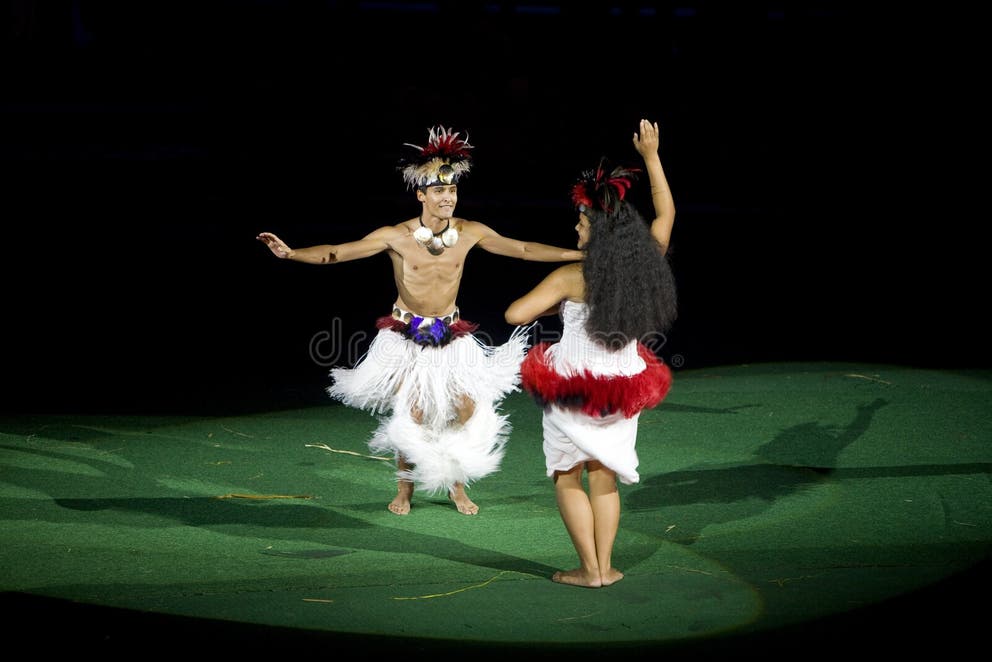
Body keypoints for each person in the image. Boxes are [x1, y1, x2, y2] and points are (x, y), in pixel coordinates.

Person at [257, 126, 583, 516]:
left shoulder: (469, 232)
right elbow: (338, 253)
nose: (449, 198)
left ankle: (457, 487)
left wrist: (575, 256)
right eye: (440, 191)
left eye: (453, 190)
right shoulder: (396, 236)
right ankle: (405, 489)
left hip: (452, 335)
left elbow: (525, 249)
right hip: (405, 337)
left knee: (463, 409)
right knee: (412, 414)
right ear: (421, 194)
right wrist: (292, 254)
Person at [504, 119, 677, 587]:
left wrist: (562, 275)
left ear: (597, 230)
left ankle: (589, 570)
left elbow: (515, 314)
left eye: (581, 222)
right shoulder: (646, 265)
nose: (575, 227)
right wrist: (652, 157)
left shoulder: (572, 277)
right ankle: (606, 567)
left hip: (572, 390)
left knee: (567, 474)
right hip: (622, 389)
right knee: (605, 475)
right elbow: (664, 213)